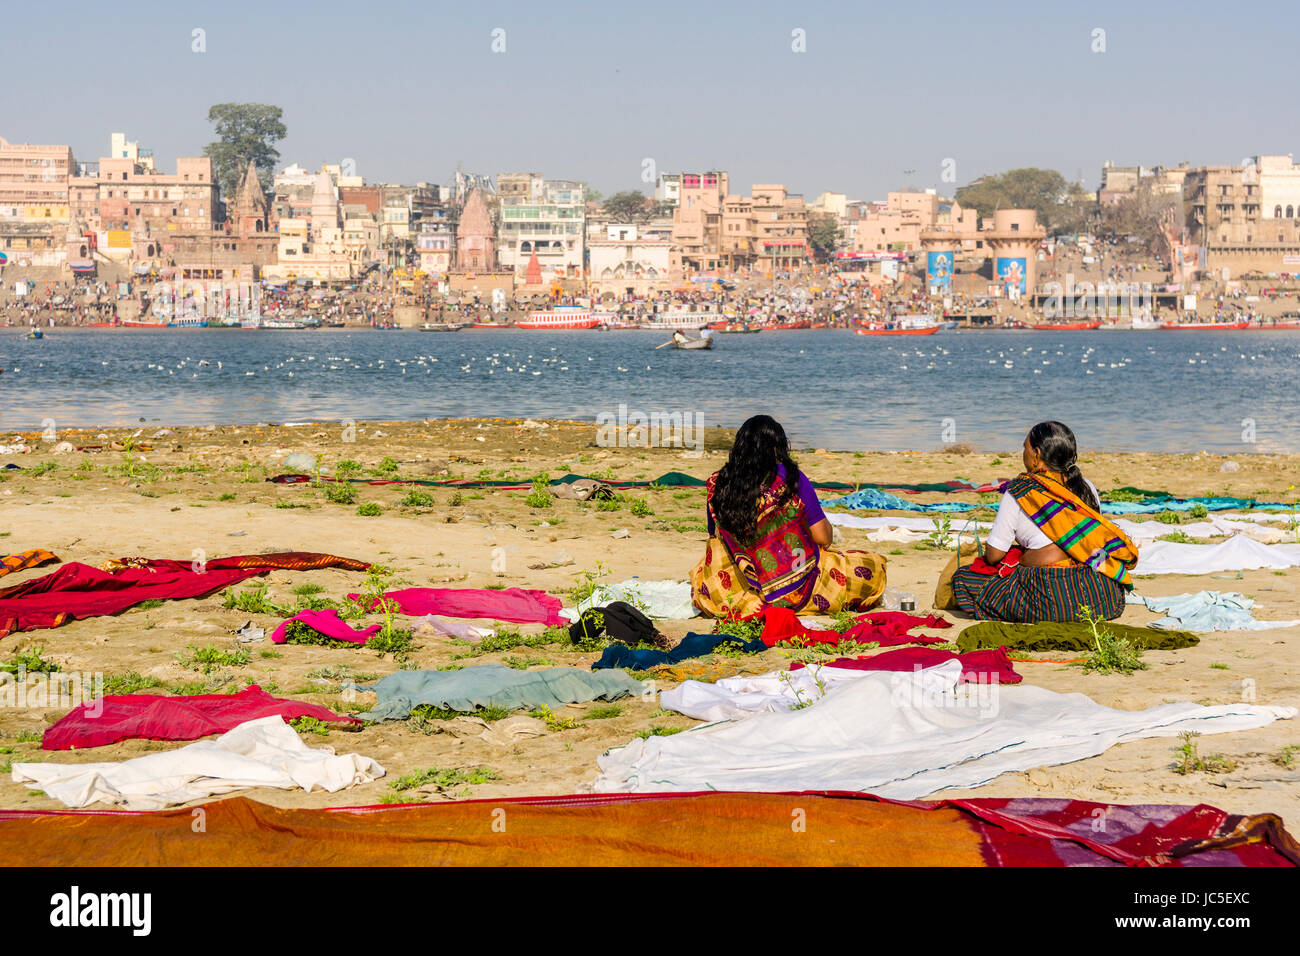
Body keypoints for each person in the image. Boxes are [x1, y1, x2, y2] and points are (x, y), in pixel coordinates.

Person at [691, 415, 886, 617]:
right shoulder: (790, 477)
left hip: (735, 589)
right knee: (873, 568)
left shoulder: (718, 483)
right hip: (797, 585)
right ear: (777, 447)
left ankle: (753, 599)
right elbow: (823, 538)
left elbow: (715, 537)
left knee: (701, 578)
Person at [949, 421, 1138, 622]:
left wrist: (1022, 558)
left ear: (1037, 454)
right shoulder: (1086, 486)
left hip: (1047, 594)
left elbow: (994, 556)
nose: (1023, 453)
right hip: (1097, 593)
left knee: (963, 579)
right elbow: (1092, 542)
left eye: (1025, 447)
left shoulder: (1020, 491)